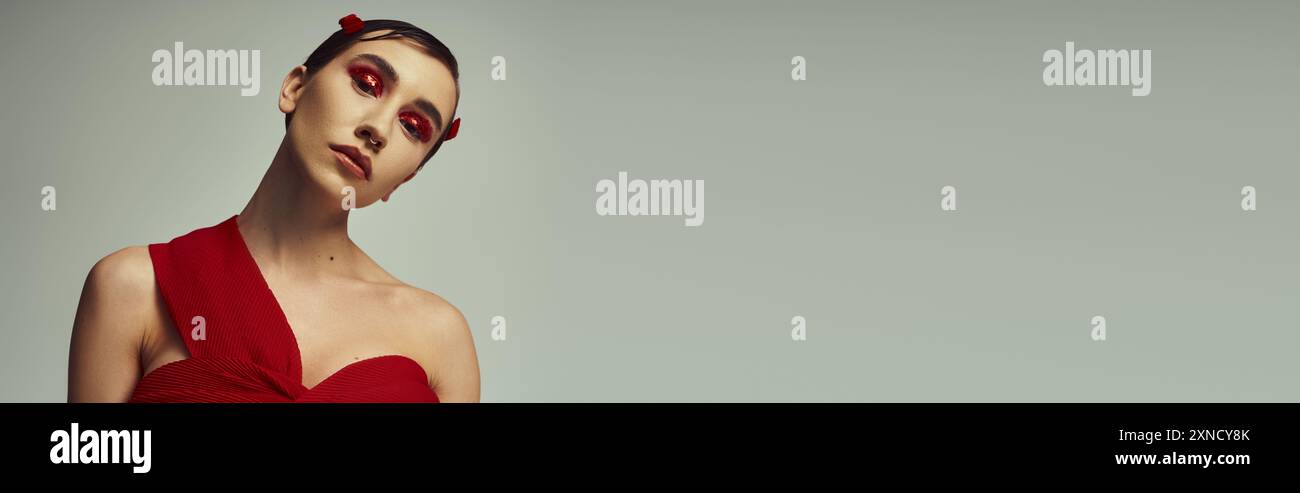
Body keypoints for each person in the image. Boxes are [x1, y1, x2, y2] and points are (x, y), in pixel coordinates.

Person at [67, 14, 480, 402]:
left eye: (413, 127)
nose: (378, 128)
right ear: (294, 88)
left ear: (405, 178)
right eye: (366, 84)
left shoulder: (441, 337)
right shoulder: (132, 287)